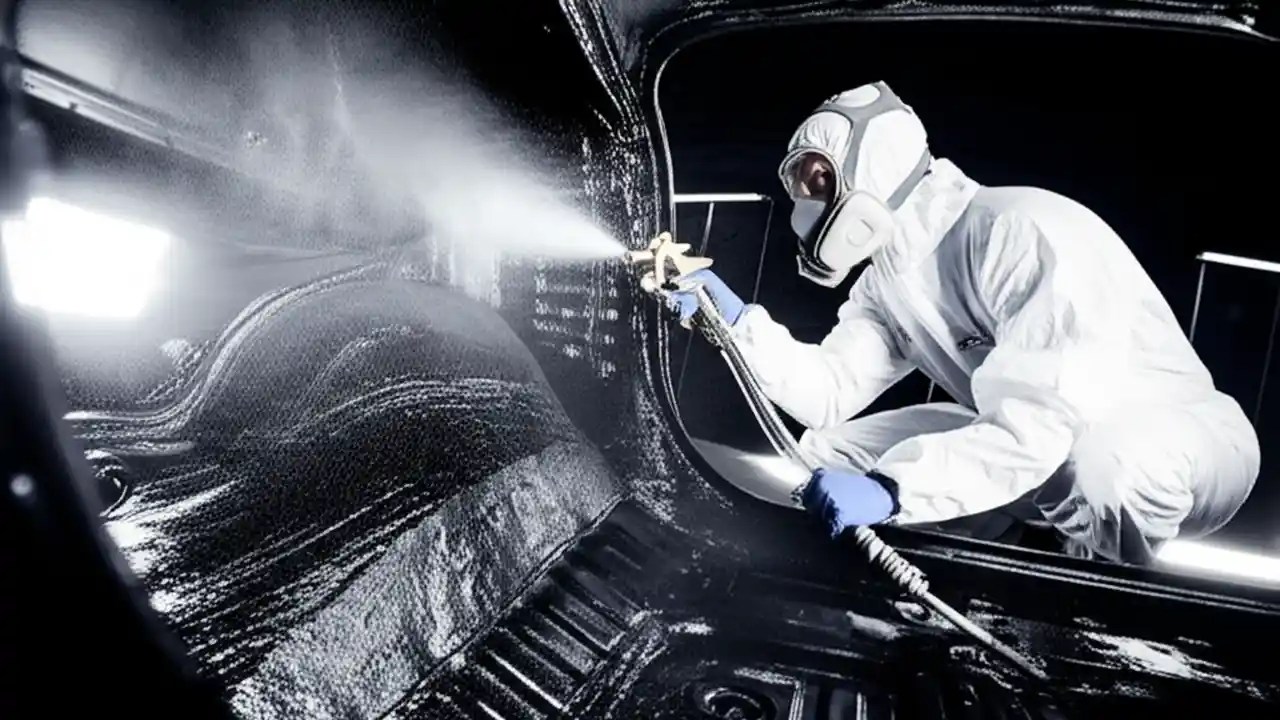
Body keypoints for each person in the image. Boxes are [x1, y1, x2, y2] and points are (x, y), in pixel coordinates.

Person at [667, 81, 1259, 565]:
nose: (808, 202)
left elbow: (1040, 421)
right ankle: (974, 565)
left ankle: (1106, 619)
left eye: (819, 179)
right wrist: (736, 323)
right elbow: (829, 391)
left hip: (1180, 441)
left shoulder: (1016, 231)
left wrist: (895, 490)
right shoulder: (889, 282)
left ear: (875, 163)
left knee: (1105, 471)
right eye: (801, 184)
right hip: (1042, 447)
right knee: (829, 455)